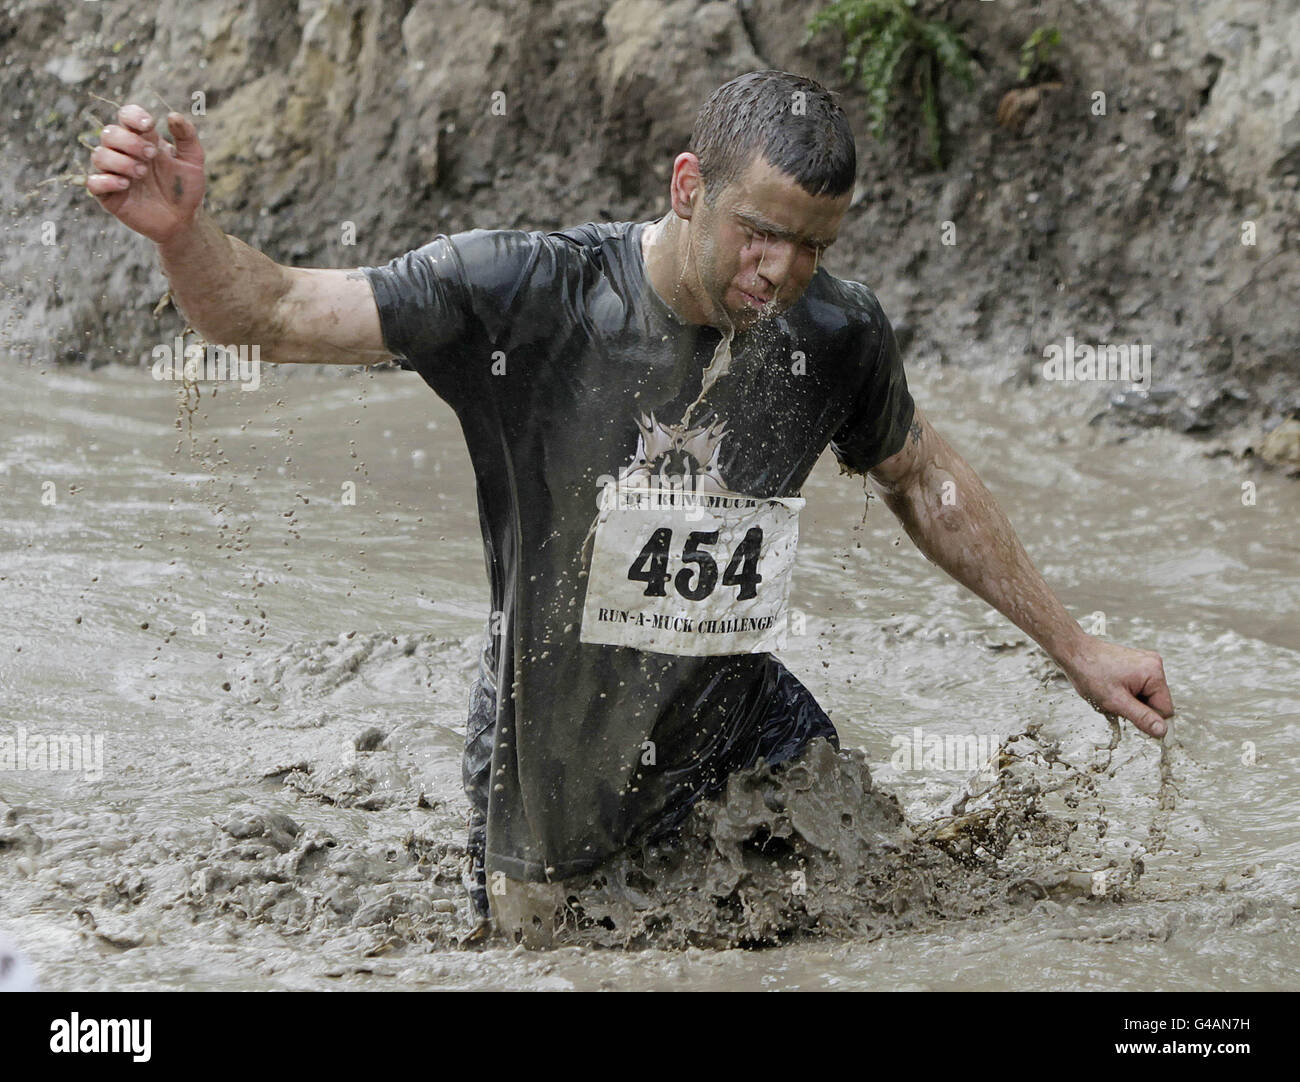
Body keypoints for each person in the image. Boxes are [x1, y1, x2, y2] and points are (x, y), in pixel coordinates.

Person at [87, 69, 1175, 945]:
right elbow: (272, 308)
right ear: (688, 183)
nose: (781, 269)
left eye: (814, 245)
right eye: (761, 230)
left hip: (748, 731)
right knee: (542, 958)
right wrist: (183, 236)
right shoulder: (525, 295)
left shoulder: (837, 333)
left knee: (873, 939)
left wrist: (1072, 643)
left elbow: (918, 476)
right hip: (551, 742)